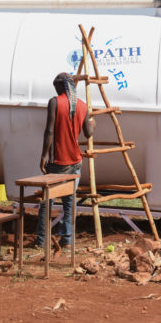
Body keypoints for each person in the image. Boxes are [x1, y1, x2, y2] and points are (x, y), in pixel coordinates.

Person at [35, 72, 94, 249]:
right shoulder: (82, 106)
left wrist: (44, 155)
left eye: (57, 85)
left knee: (47, 202)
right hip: (75, 161)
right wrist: (93, 123)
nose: (55, 88)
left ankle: (42, 239)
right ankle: (67, 239)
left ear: (62, 86)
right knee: (70, 202)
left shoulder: (55, 102)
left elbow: (49, 131)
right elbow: (89, 133)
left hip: (57, 161)